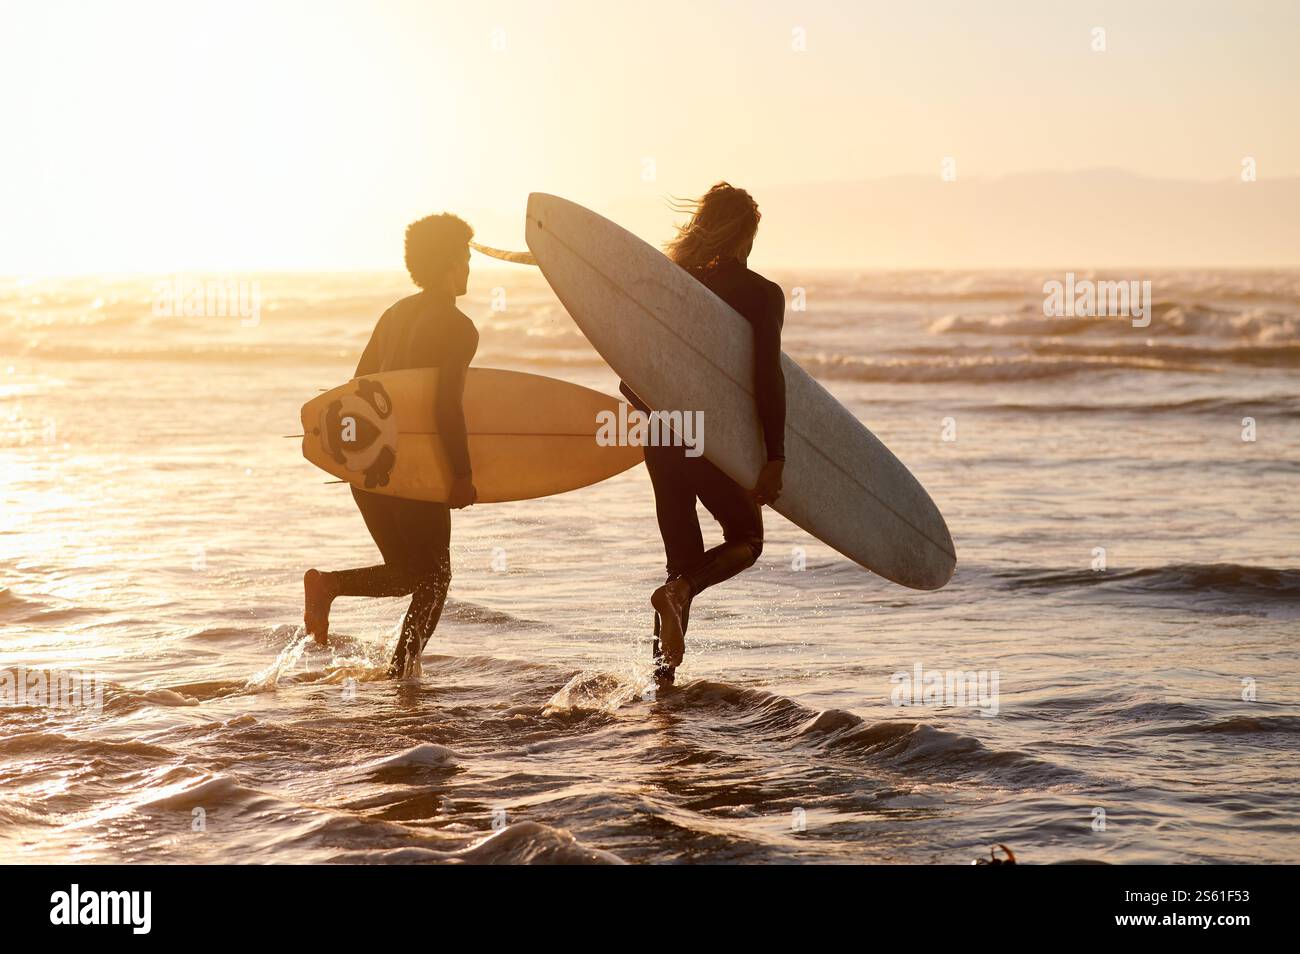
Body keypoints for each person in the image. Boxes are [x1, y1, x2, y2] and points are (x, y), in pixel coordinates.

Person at [621, 183, 787, 686]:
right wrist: (774, 455)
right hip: (710, 437)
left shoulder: (670, 285)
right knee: (746, 539)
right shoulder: (761, 293)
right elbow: (766, 376)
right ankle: (679, 600)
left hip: (662, 433)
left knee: (680, 568)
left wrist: (656, 409)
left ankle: (660, 688)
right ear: (746, 236)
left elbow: (630, 377)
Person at [303, 213, 479, 677]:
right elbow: (446, 407)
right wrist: (461, 475)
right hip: (411, 471)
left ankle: (329, 586)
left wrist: (351, 460)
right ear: (446, 265)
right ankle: (402, 673)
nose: (467, 269)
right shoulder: (458, 328)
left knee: (407, 573)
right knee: (435, 576)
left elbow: (356, 388)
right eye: (462, 259)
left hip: (370, 467)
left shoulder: (395, 314)